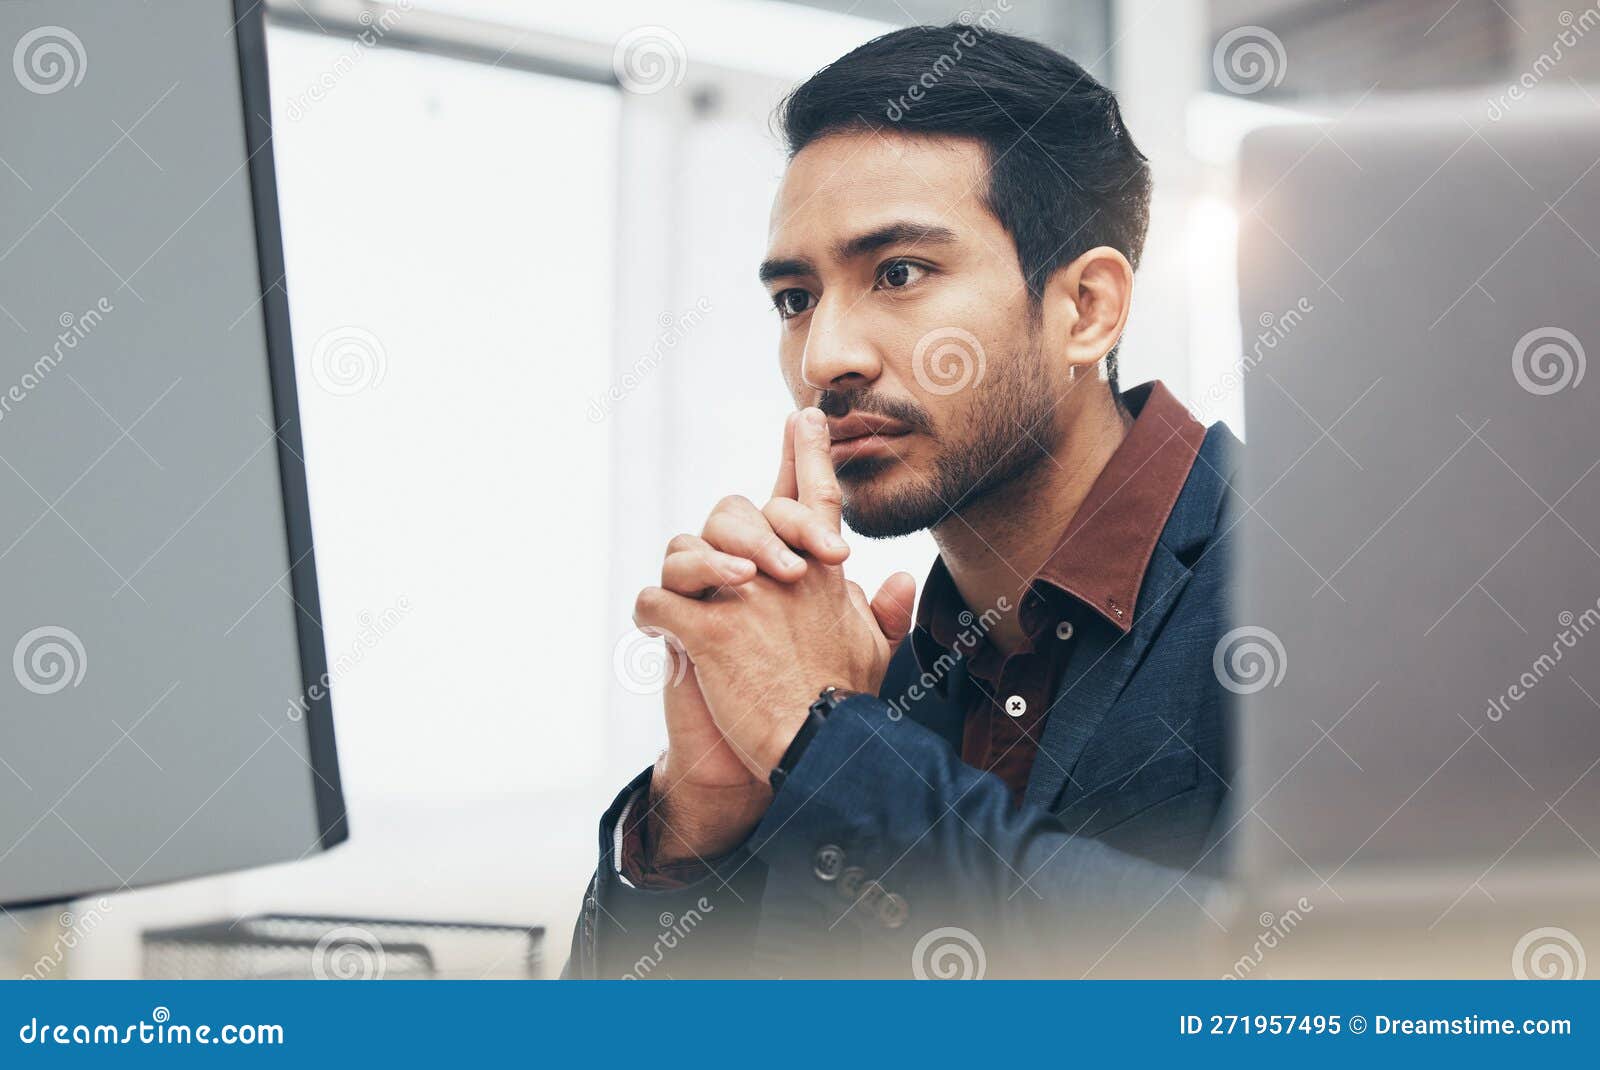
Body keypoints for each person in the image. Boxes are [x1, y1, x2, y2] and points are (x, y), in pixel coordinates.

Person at [566, 23, 1239, 980]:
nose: (825, 357)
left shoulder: (1331, 578)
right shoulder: (875, 675)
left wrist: (822, 741)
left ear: (1086, 308)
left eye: (899, 274)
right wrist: (698, 826)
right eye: (795, 298)